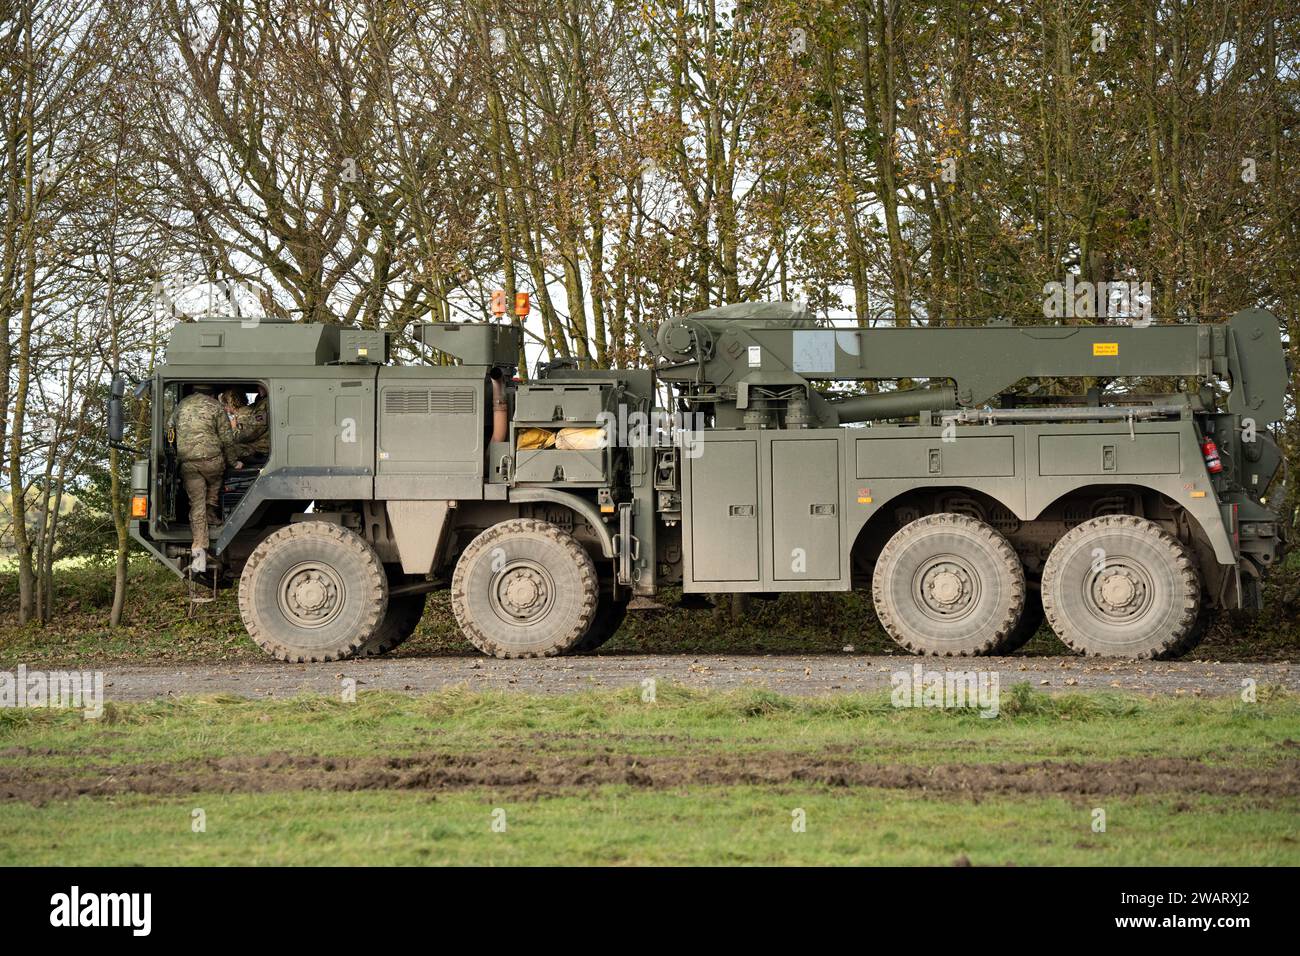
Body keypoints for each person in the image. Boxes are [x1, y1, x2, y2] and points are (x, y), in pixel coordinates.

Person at [171, 384, 240, 569]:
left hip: (188, 463)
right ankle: (212, 510)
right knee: (216, 480)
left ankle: (199, 553)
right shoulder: (215, 406)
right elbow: (227, 439)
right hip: (212, 461)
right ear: (211, 391)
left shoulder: (181, 405)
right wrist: (234, 462)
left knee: (196, 505)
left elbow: (169, 430)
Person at [231, 385, 270, 462]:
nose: (258, 388)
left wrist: (234, 428)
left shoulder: (265, 404)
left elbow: (253, 431)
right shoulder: (260, 402)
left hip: (260, 449)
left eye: (261, 386)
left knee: (228, 450)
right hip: (259, 445)